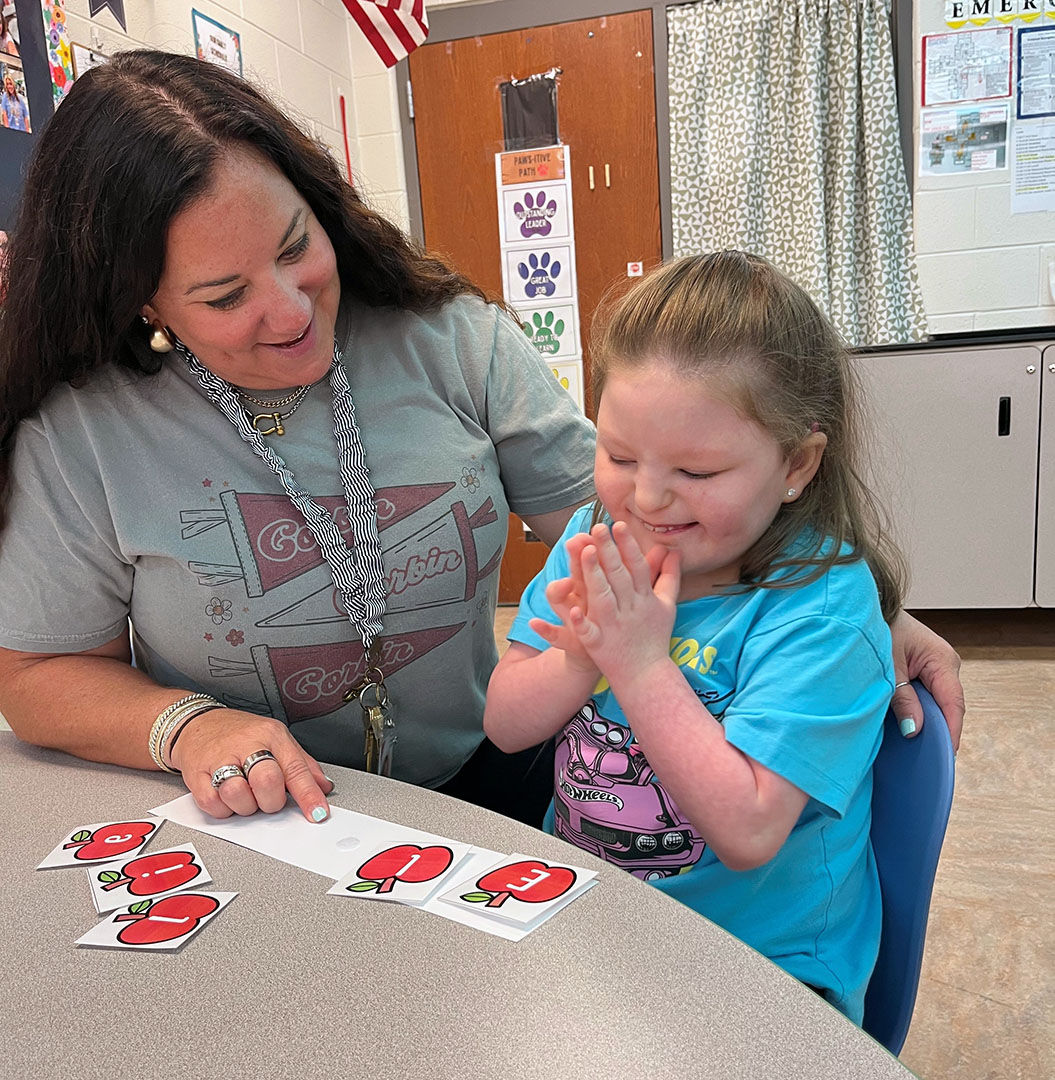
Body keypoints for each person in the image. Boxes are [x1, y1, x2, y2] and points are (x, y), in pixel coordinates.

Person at [0, 51, 961, 832]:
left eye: (297, 247)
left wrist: (853, 598)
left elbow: (636, 512)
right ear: (139, 296)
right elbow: (35, 677)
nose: (291, 311)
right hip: (261, 824)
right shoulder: (85, 432)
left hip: (488, 793)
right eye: (224, 296)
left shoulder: (447, 337)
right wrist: (187, 725)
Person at [484, 251, 916, 1022]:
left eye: (698, 471)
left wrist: (640, 665)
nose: (645, 497)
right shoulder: (595, 537)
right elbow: (507, 725)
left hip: (758, 967)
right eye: (617, 455)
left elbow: (749, 827)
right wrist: (580, 653)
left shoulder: (819, 610)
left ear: (797, 463)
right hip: (593, 921)